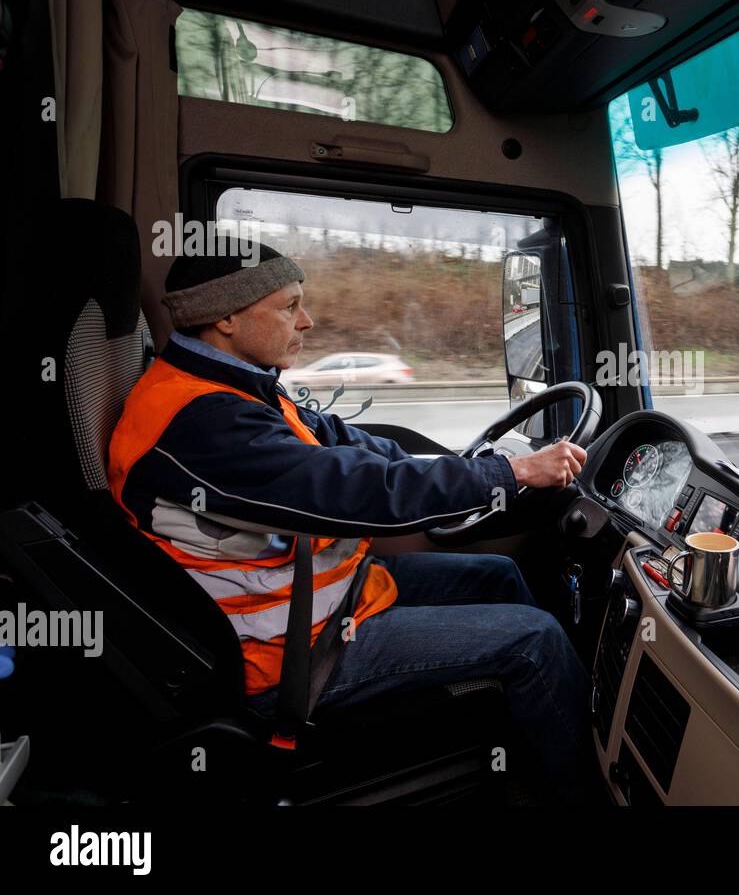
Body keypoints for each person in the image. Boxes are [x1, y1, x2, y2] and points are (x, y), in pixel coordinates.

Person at [107, 240, 596, 803]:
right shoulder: (200, 423)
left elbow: (350, 446)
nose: (307, 321)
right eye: (289, 306)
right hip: (288, 656)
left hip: (322, 600)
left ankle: (526, 742)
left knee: (497, 576)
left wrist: (474, 468)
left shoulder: (240, 385)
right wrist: (510, 474)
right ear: (226, 317)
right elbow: (358, 490)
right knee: (536, 639)